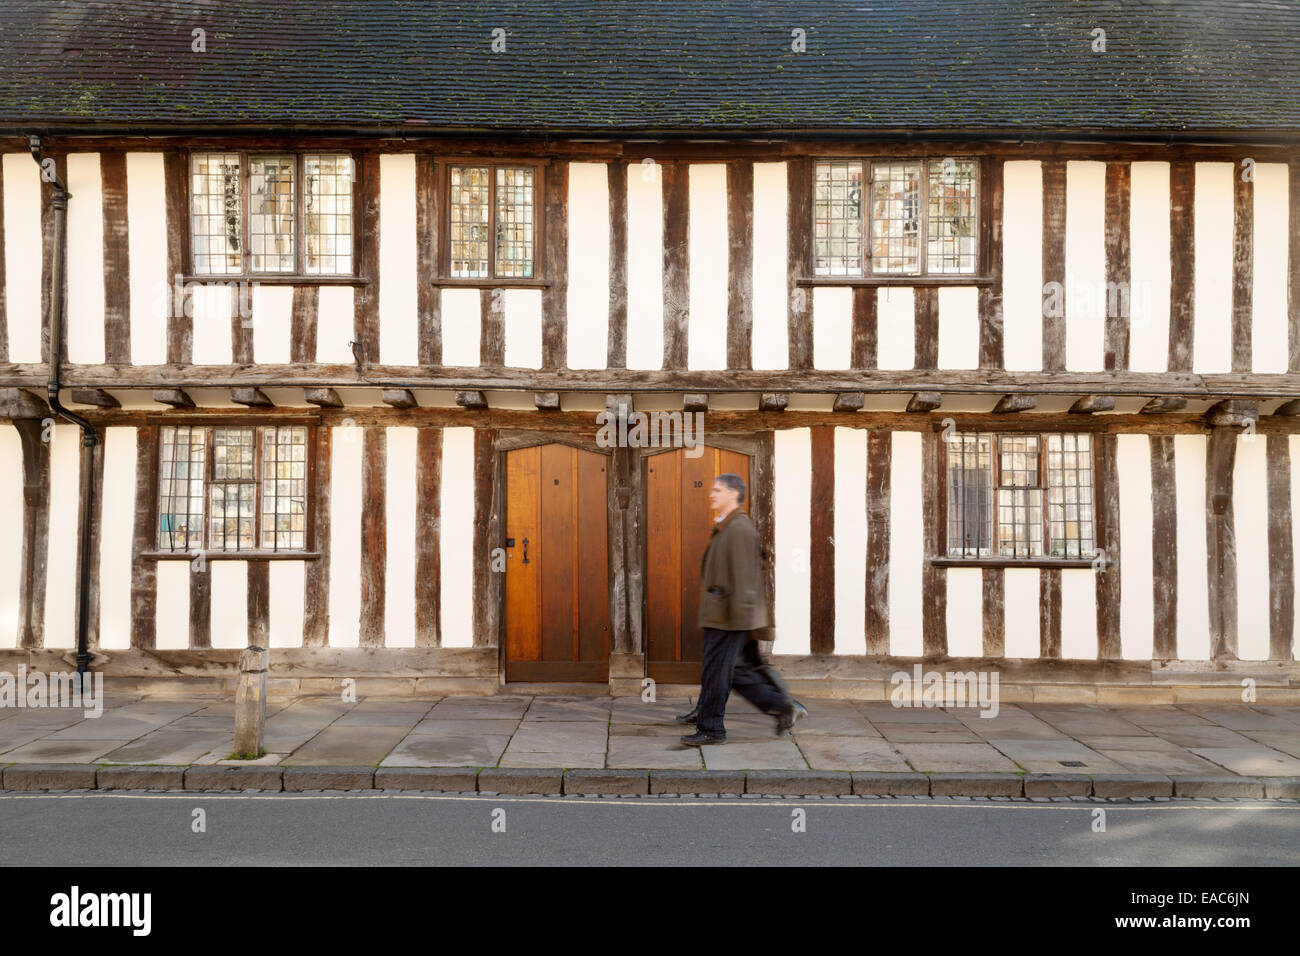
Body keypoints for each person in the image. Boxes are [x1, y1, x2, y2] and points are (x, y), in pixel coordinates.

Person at [678, 473, 807, 746]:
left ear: (733, 495)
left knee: (718, 672)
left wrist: (737, 622)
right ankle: (783, 706)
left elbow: (745, 579)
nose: (711, 494)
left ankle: (712, 729)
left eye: (718, 490)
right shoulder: (728, 527)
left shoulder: (739, 529)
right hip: (727, 616)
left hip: (729, 618)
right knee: (734, 673)